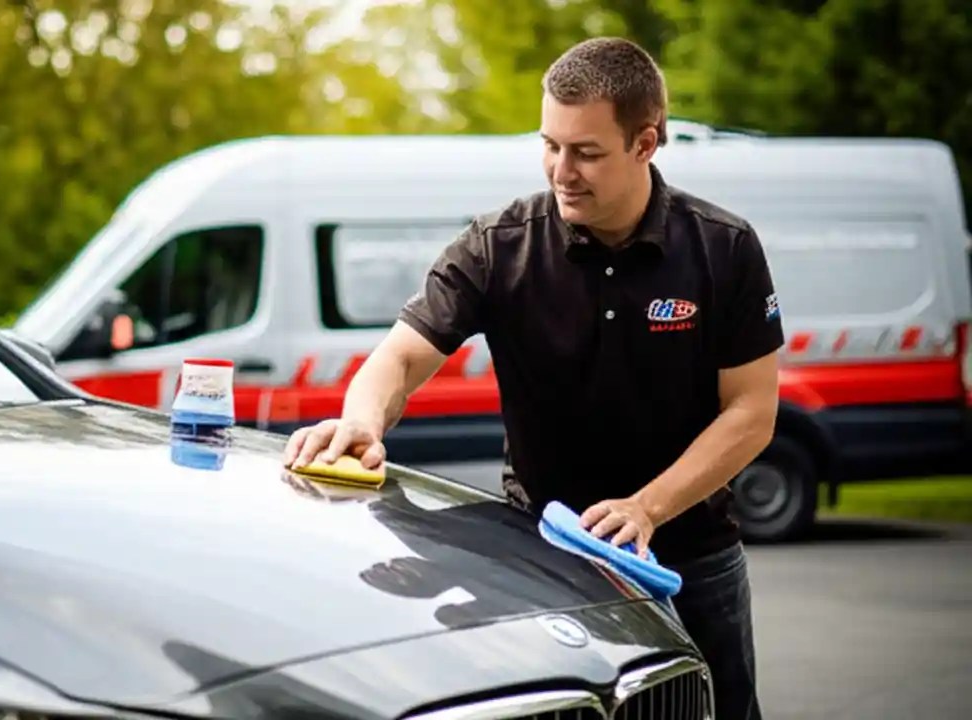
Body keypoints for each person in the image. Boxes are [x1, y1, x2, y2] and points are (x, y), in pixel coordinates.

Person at [282, 36, 779, 720]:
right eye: (550, 145)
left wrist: (647, 509)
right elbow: (398, 358)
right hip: (539, 560)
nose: (561, 171)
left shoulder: (724, 248)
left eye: (586, 152)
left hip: (691, 558)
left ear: (646, 142)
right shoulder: (498, 246)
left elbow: (751, 413)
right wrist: (363, 421)